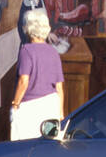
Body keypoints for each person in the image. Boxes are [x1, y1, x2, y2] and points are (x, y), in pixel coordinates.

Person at [10, 10, 65, 140]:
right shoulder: (53, 52)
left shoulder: (26, 50)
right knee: (47, 150)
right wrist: (60, 112)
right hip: (51, 106)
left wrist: (15, 104)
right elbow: (59, 88)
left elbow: (24, 81)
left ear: (29, 28)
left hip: (30, 109)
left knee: (23, 151)